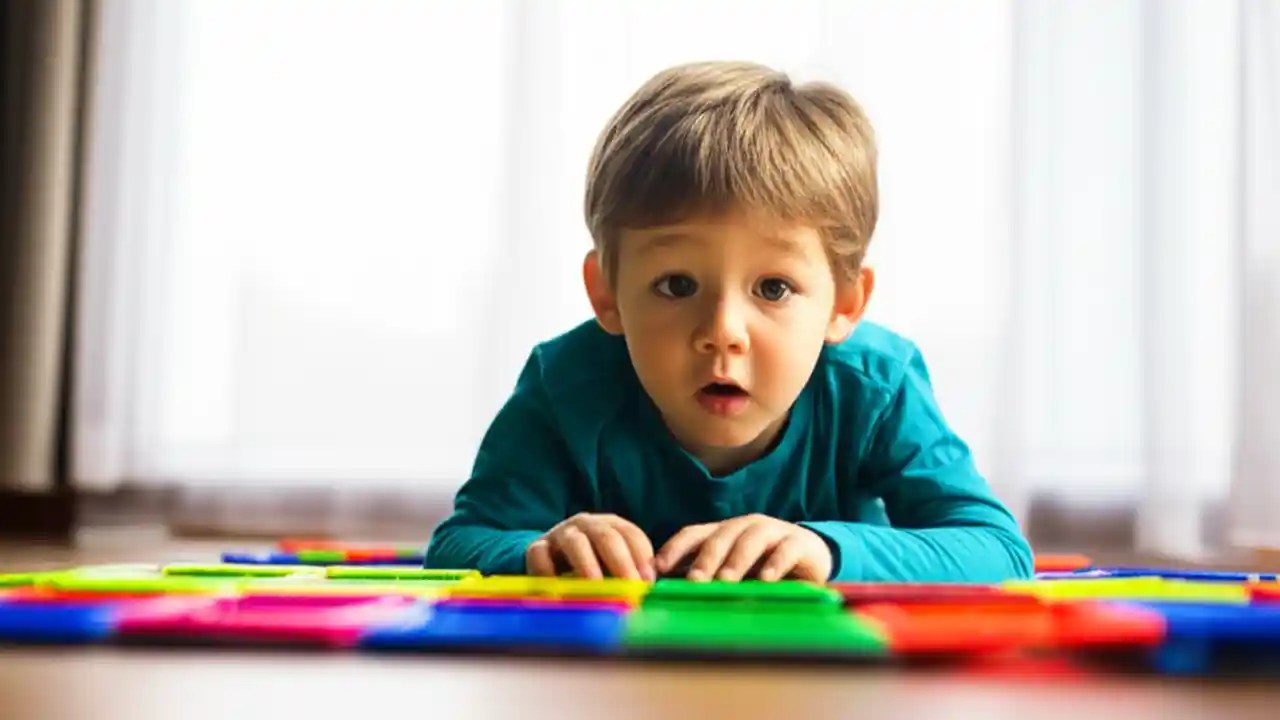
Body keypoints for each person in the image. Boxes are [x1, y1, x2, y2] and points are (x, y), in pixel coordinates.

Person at [425, 61, 1032, 584]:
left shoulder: (876, 385)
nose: (722, 331)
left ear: (844, 303)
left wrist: (826, 548)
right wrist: (539, 550)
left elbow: (998, 550)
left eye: (773, 288)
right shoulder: (564, 384)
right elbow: (461, 542)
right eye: (676, 285)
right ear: (606, 293)